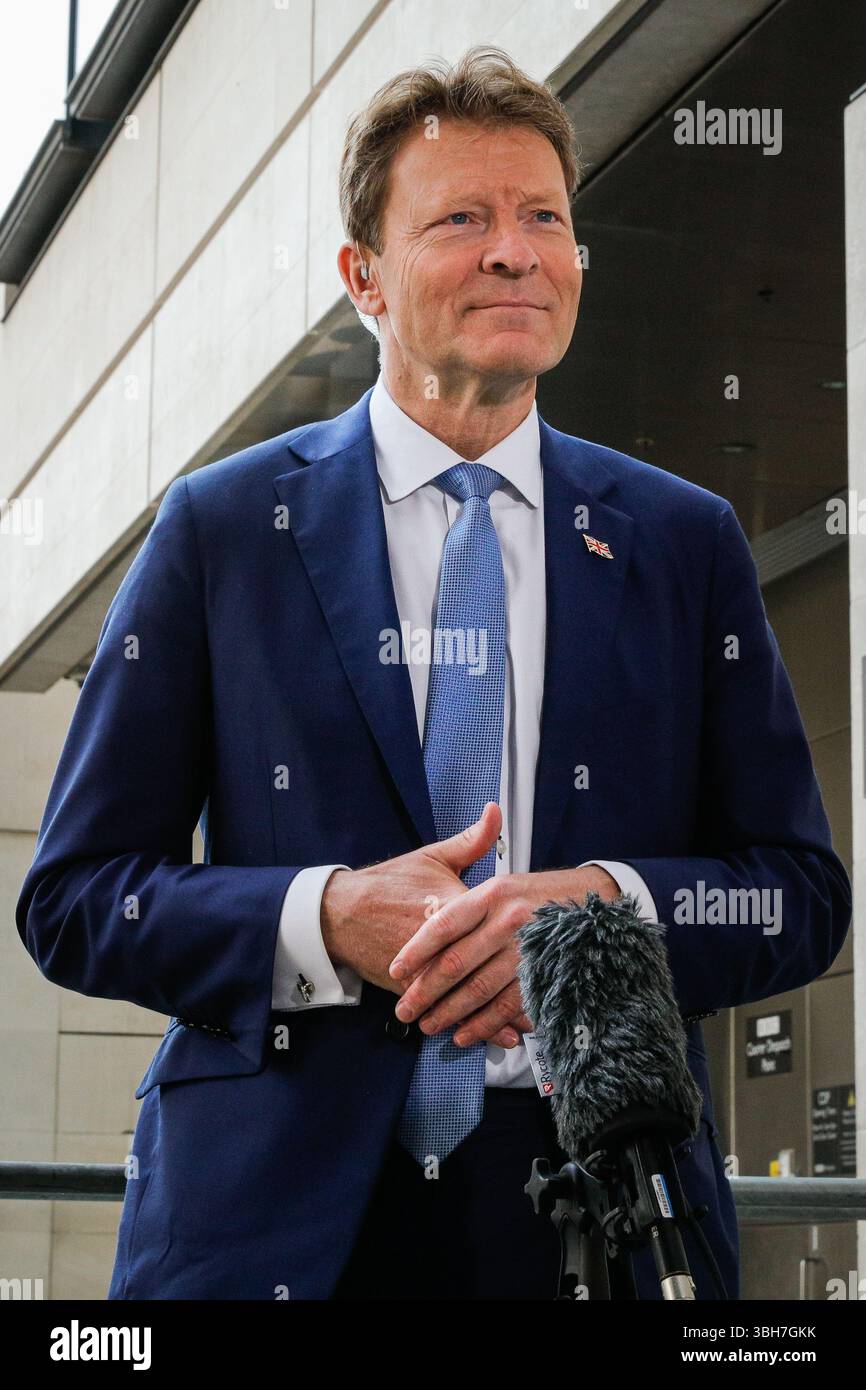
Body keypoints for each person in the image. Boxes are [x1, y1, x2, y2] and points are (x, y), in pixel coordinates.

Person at [17, 47, 851, 1301]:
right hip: (272, 1228)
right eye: (461, 218)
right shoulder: (224, 529)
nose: (513, 251)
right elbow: (78, 895)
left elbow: (793, 894)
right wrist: (324, 916)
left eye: (543, 220)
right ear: (362, 278)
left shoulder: (683, 541)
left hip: (599, 1214)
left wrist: (594, 920)